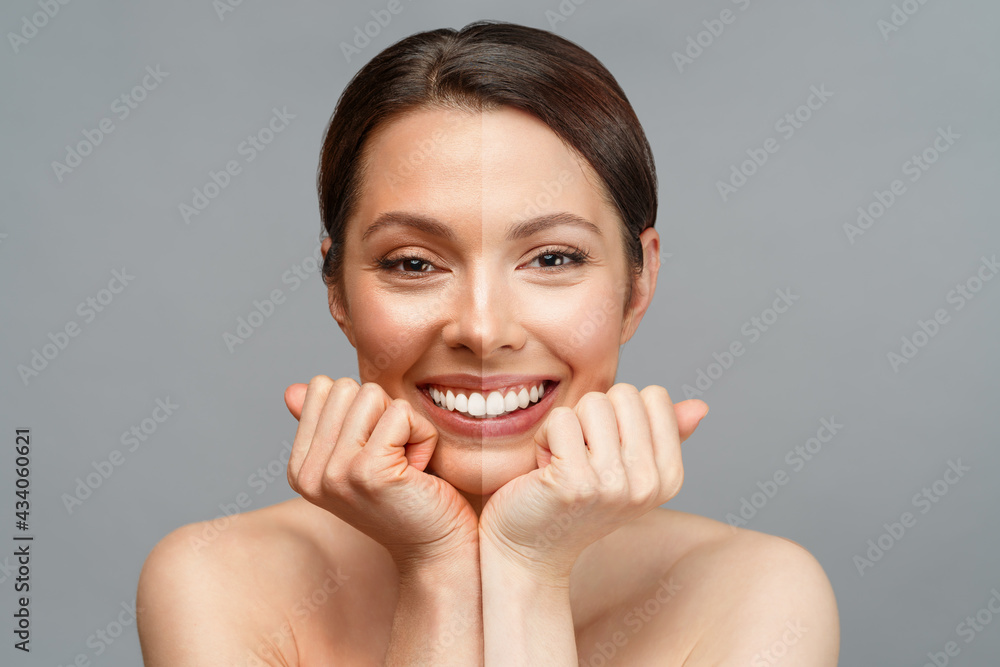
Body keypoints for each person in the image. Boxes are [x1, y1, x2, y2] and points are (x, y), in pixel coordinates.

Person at [137, 20, 839, 666]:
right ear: (338, 289)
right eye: (413, 263)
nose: (481, 329)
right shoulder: (214, 579)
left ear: (639, 278)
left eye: (554, 258)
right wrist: (437, 567)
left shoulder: (757, 594)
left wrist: (529, 568)